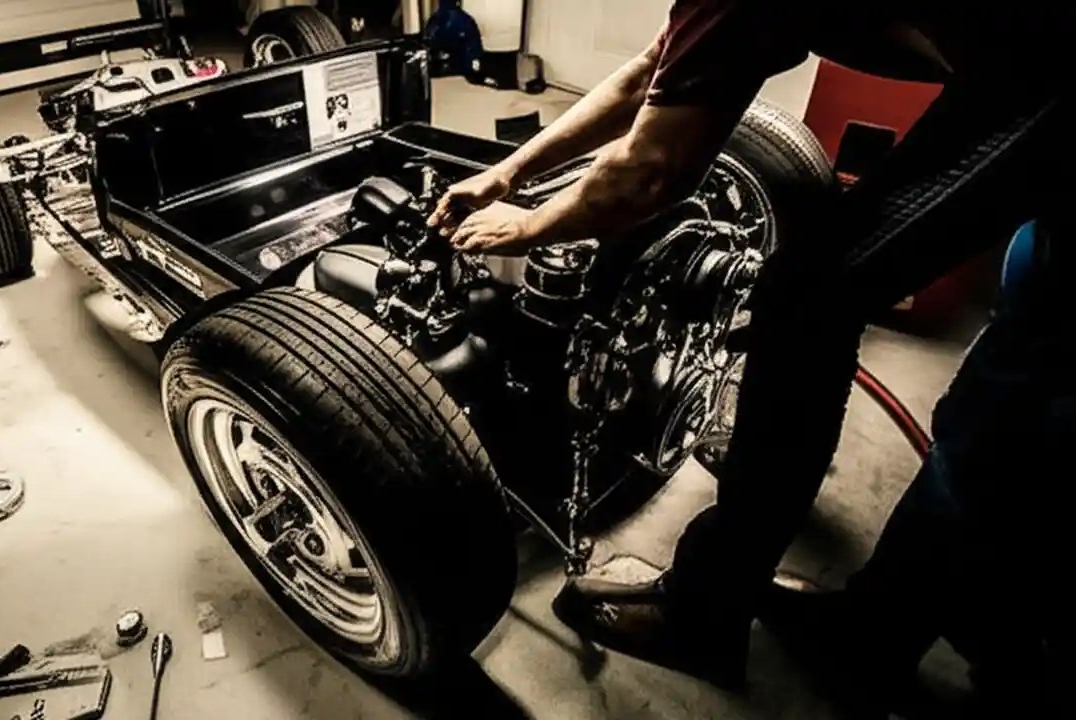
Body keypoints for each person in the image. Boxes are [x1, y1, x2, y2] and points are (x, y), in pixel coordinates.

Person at [427, 0, 1075, 700]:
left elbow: (648, 174)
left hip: (1058, 86)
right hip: (1027, 72)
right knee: (1023, 372)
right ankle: (881, 626)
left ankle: (706, 611)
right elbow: (655, 69)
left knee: (809, 300)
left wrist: (526, 229)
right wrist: (510, 174)